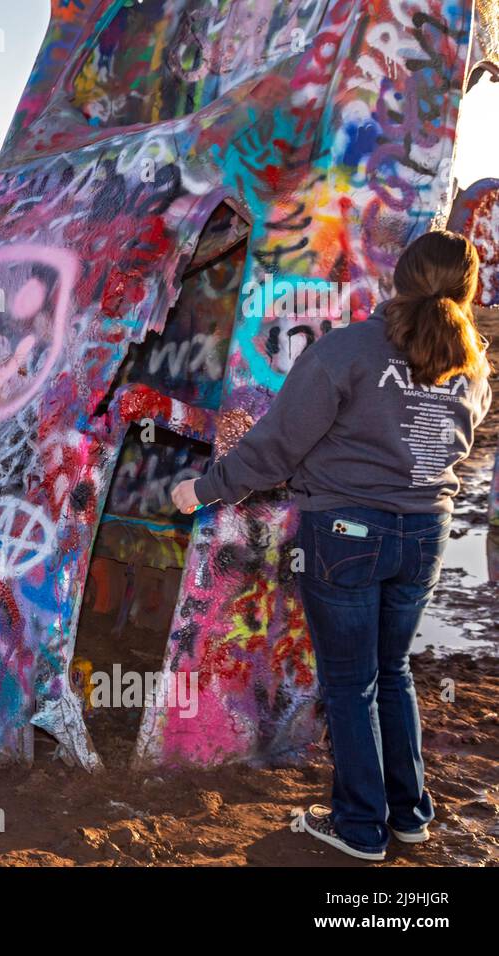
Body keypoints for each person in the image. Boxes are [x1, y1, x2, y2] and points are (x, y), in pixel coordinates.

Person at [171, 231, 493, 861]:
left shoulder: (348, 351)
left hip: (348, 531)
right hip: (426, 533)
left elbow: (278, 446)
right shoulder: (473, 364)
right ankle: (409, 815)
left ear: (400, 278)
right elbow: (456, 444)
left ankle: (360, 827)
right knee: (391, 672)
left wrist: (204, 489)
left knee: (351, 684)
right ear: (467, 289)